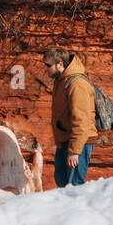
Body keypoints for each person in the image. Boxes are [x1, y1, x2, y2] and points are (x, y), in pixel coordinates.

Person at [43, 47, 96, 187]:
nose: (46, 68)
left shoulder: (77, 84)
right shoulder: (61, 81)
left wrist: (75, 151)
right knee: (61, 181)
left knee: (74, 185)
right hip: (66, 141)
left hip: (80, 142)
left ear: (60, 64)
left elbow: (82, 121)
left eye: (48, 65)